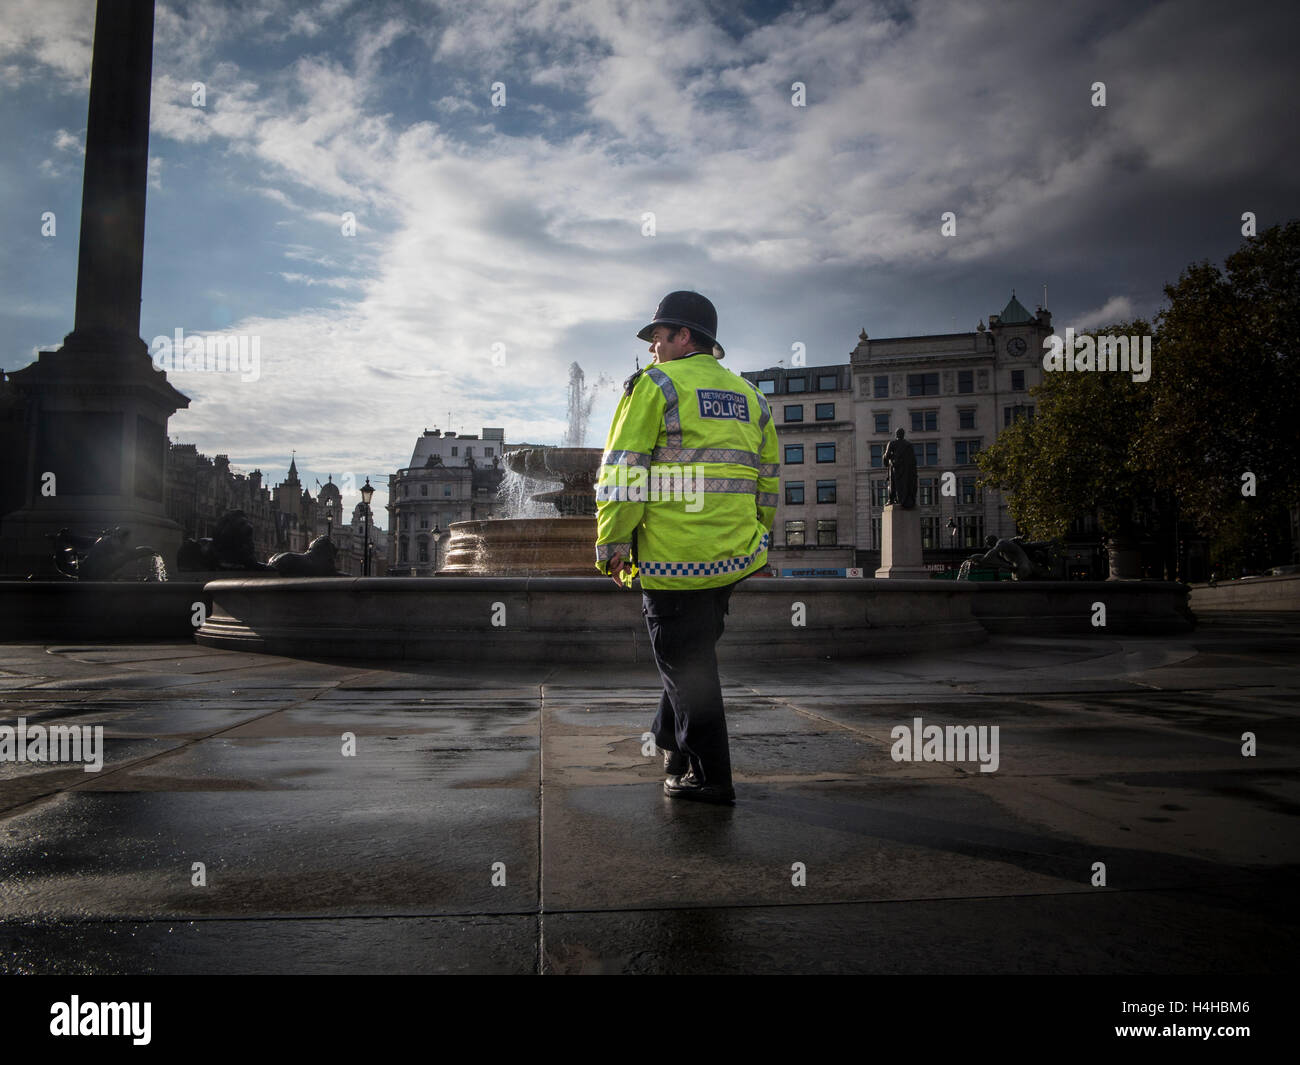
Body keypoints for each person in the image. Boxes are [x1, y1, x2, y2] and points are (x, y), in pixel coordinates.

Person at [594, 291, 779, 805]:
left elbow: (625, 472)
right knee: (690, 657)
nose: (653, 347)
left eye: (658, 335)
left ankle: (710, 774)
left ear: (685, 337)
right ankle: (669, 743)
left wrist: (612, 542)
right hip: (732, 556)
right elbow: (767, 481)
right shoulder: (751, 396)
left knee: (687, 666)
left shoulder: (655, 386)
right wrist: (758, 540)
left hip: (674, 559)